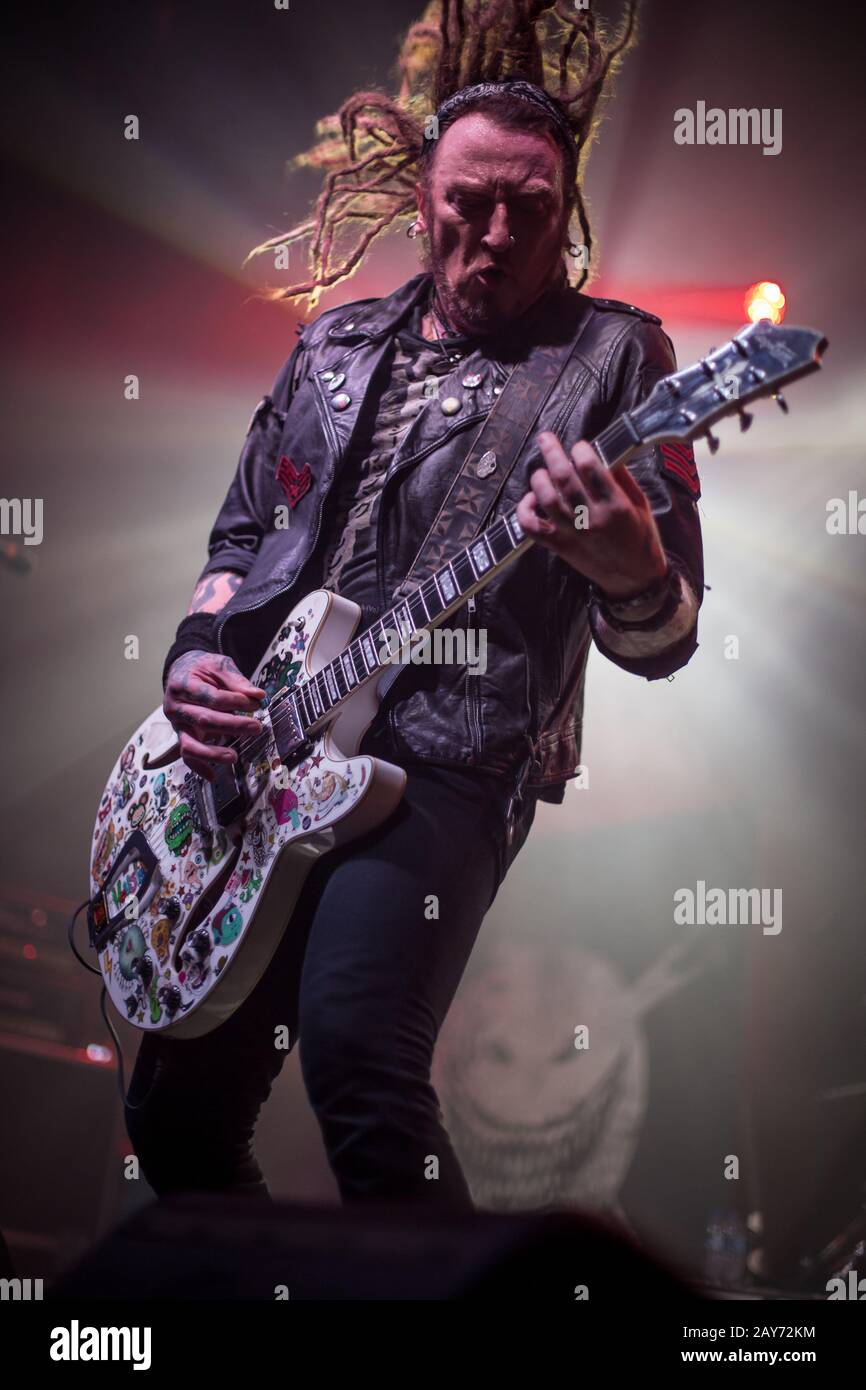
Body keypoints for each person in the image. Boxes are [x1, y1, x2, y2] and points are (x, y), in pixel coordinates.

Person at [124, 2, 703, 1209]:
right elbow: (241, 540)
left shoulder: (617, 360)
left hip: (446, 761)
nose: (494, 236)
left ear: (565, 214)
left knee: (357, 1059)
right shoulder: (329, 347)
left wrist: (630, 571)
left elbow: (671, 634)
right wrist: (191, 661)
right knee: (172, 1113)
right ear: (424, 197)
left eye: (528, 212)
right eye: (468, 205)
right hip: (263, 761)